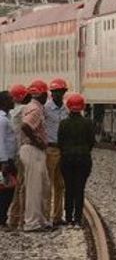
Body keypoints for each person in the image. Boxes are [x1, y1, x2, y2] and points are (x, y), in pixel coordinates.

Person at [58, 94, 96, 228]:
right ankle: (78, 219)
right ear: (82, 107)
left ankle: (68, 218)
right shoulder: (88, 123)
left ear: (68, 107)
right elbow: (92, 142)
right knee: (80, 189)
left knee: (69, 189)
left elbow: (60, 142)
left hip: (67, 159)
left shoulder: (63, 124)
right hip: (83, 159)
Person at [18, 81, 52, 232]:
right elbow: (25, 126)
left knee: (43, 186)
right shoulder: (36, 109)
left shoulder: (30, 106)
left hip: (32, 150)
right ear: (44, 94)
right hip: (33, 150)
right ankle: (32, 223)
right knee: (35, 188)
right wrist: (37, 141)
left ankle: (41, 220)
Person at [43, 77, 69, 225]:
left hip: (62, 150)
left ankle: (57, 216)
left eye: (60, 92)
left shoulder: (66, 110)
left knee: (60, 185)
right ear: (51, 93)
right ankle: (46, 217)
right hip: (50, 149)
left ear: (64, 92)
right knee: (47, 185)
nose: (57, 95)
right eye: (55, 92)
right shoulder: (45, 109)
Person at [5, 84, 29, 229]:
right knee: (22, 186)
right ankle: (18, 218)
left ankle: (13, 217)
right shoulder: (23, 110)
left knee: (13, 185)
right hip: (20, 152)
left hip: (12, 154)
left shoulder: (10, 113)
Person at [0, 91, 16, 226]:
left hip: (8, 160)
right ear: (3, 102)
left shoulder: (7, 117)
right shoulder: (2, 120)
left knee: (7, 188)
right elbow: (0, 141)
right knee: (5, 189)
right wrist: (4, 162)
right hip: (4, 162)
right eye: (10, 99)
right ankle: (1, 218)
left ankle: (2, 216)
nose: (13, 100)